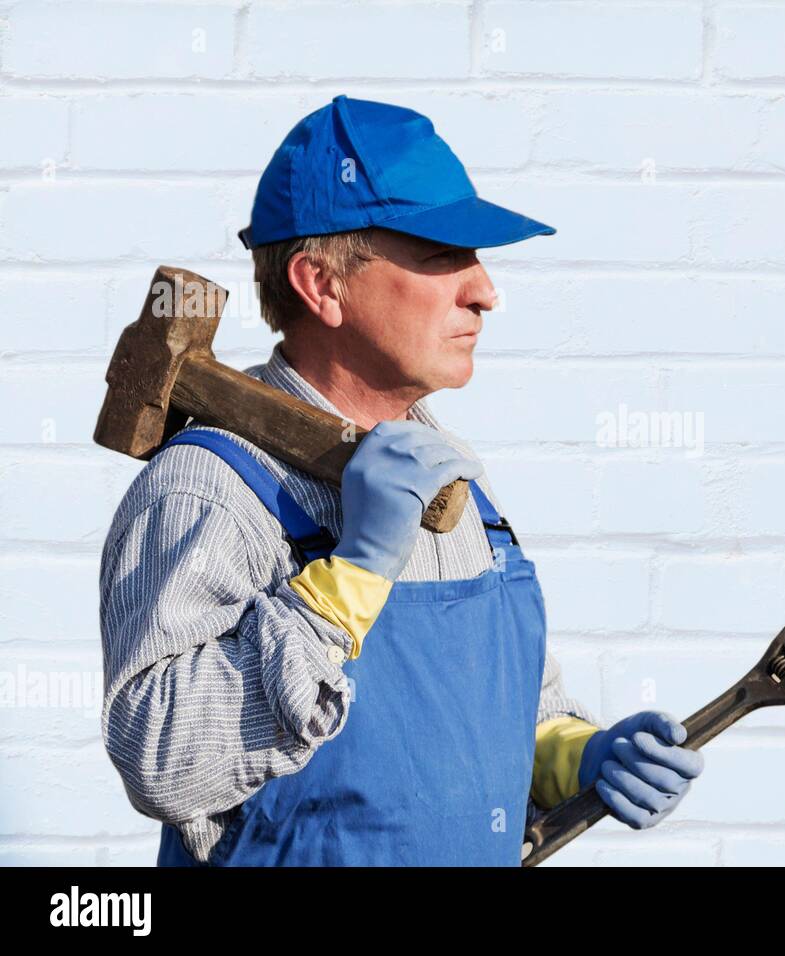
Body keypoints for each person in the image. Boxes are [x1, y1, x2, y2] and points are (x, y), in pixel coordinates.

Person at [98, 94, 704, 866]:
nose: (485, 290)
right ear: (321, 284)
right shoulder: (209, 492)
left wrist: (575, 757)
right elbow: (162, 757)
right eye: (442, 254)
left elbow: (488, 728)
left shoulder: (459, 495)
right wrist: (347, 577)